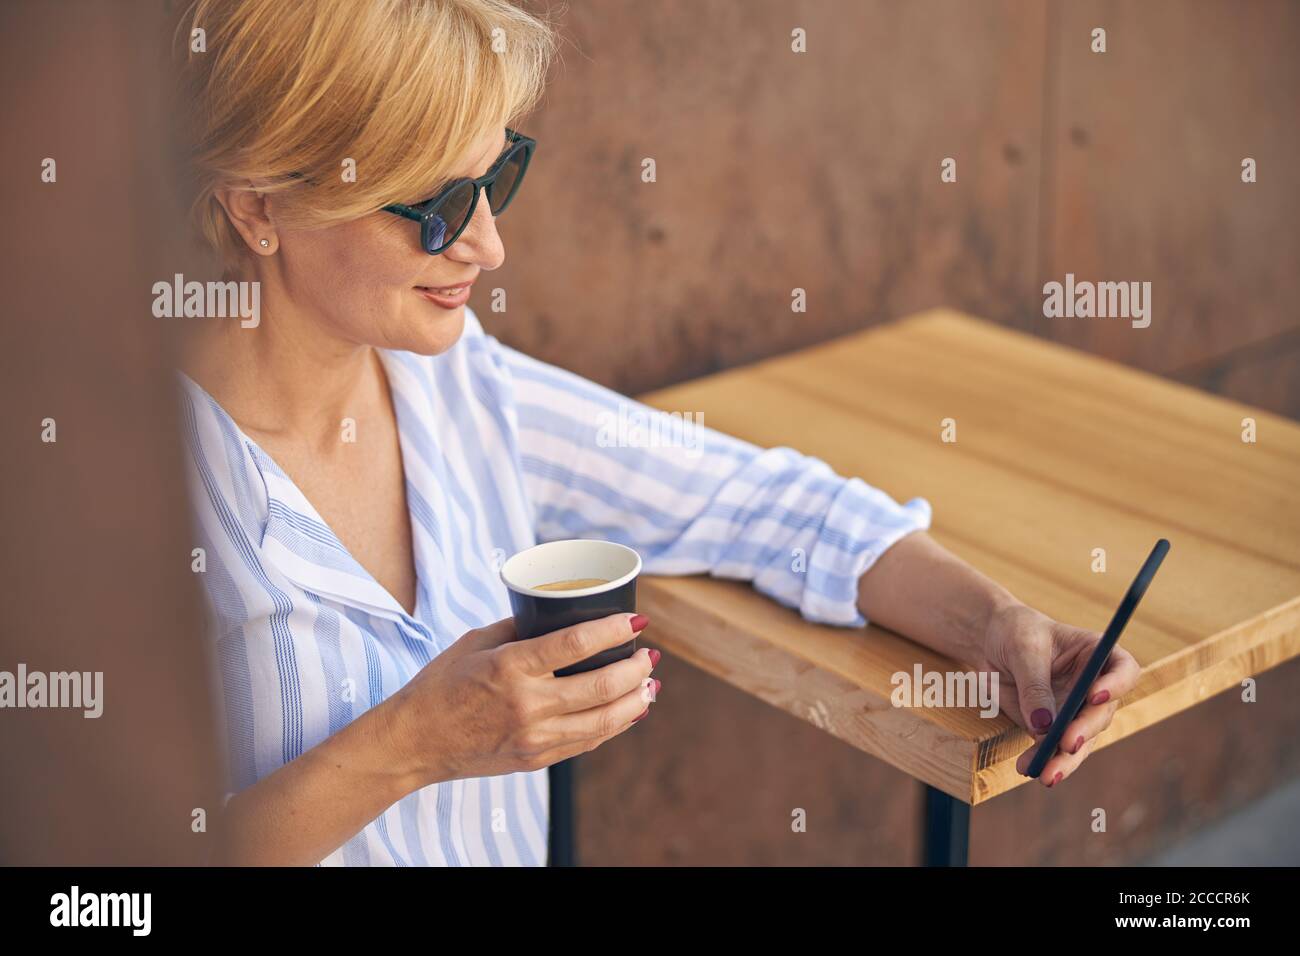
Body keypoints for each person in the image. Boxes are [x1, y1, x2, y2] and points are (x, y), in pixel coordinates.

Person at [174, 0, 1140, 866]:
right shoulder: (117, 492)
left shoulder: (458, 384)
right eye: (432, 209)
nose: (487, 244)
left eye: (496, 175)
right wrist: (410, 748)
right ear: (262, 204)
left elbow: (758, 503)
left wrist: (997, 628)